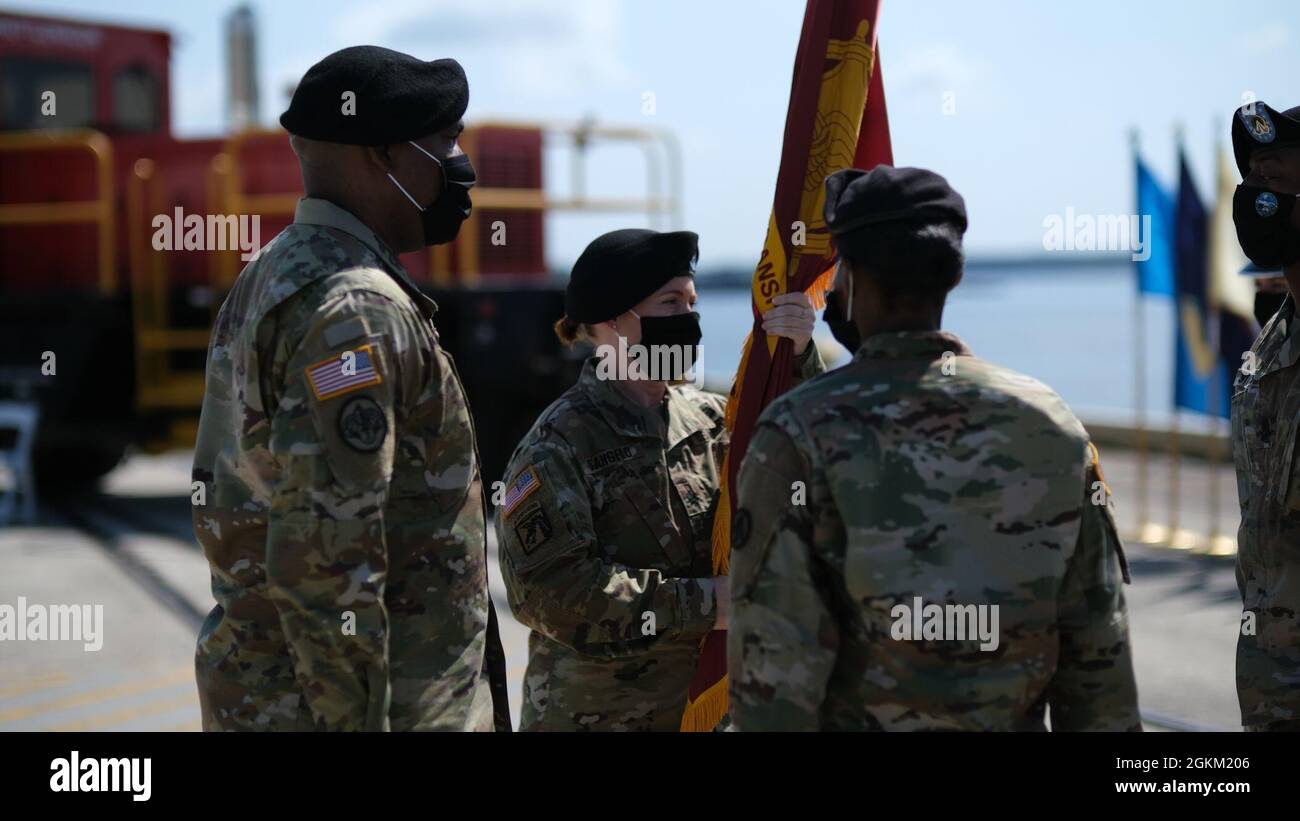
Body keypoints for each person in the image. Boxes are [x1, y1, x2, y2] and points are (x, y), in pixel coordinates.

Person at [727, 165, 1141, 731]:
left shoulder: (798, 433)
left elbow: (774, 676)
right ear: (952, 277)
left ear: (848, 278)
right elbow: (1099, 658)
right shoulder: (1049, 423)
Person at [191, 45, 509, 731]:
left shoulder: (271, 272)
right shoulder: (356, 311)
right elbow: (326, 572)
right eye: (445, 143)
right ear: (383, 157)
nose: (460, 166)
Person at [495, 228, 823, 730]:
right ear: (611, 318)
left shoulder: (712, 418)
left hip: (707, 712)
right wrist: (707, 603)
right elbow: (551, 594)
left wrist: (797, 353)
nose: (689, 319)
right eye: (670, 303)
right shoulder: (558, 445)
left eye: (691, 302)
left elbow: (809, 451)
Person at [1228, 100, 1300, 731]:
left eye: (1278, 180)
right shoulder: (1270, 345)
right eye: (1254, 180)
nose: (1258, 197)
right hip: (1274, 687)